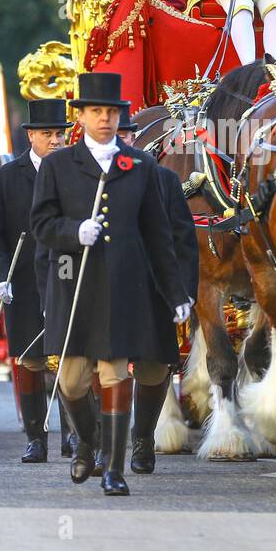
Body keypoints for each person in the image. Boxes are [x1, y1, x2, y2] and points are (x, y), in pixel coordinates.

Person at [30, 72, 191, 496]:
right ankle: (87, 439)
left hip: (123, 286)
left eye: (112, 111)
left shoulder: (140, 166)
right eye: (96, 111)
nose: (105, 118)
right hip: (75, 287)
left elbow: (159, 236)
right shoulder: (57, 165)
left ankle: (113, 469)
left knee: (116, 374)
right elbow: (41, 225)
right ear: (80, 116)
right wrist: (71, 231)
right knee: (71, 381)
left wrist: (176, 294)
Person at [0, 98, 71, 463]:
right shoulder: (4, 178)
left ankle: (75, 435)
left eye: (59, 134)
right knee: (31, 360)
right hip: (22, 280)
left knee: (71, 357)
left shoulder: (77, 174)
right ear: (31, 135)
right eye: (47, 134)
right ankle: (36, 437)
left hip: (65, 275)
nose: (54, 140)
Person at [117, 106, 199, 475]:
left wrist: (184, 293)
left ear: (135, 138)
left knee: (152, 369)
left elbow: (183, 240)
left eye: (125, 135)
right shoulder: (77, 175)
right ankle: (102, 441)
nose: (120, 142)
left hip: (152, 290)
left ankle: (143, 437)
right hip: (103, 288)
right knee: (101, 369)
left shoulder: (163, 179)